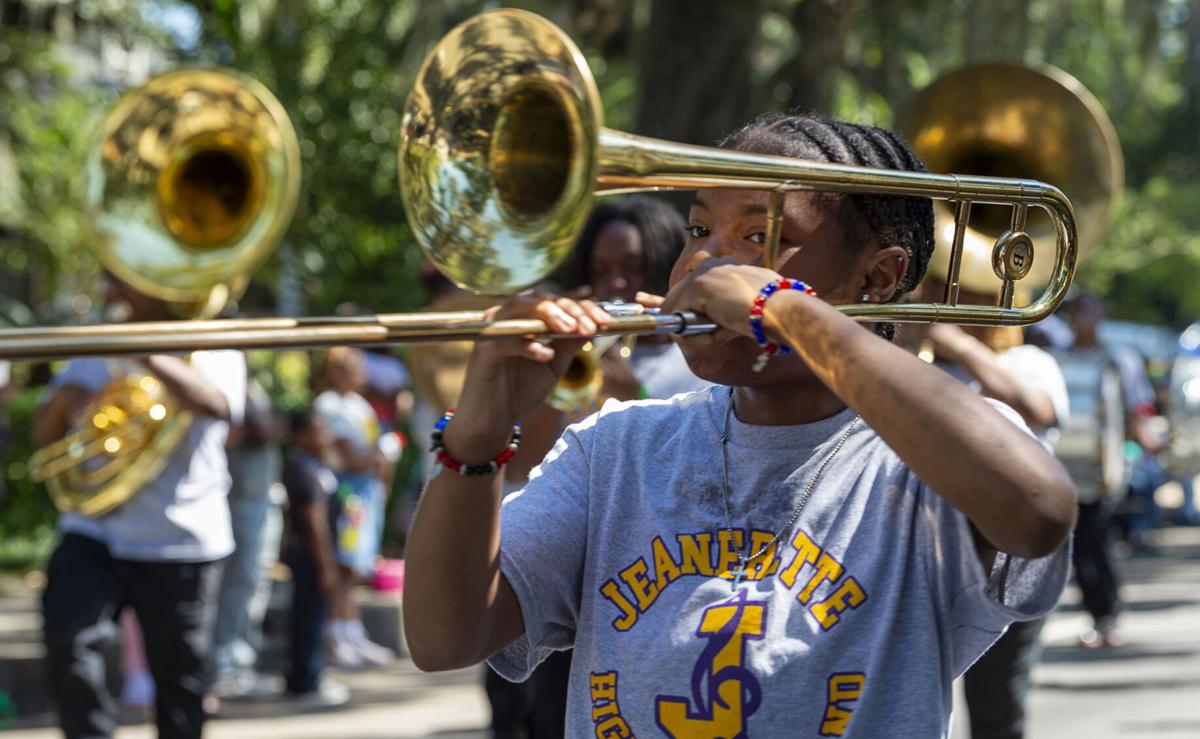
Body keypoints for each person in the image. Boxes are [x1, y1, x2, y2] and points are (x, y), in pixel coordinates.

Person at [403, 114, 1076, 737]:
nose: (707, 263)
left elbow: (1039, 508)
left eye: (762, 237)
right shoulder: (615, 447)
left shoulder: (921, 461)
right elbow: (444, 636)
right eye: (698, 231)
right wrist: (477, 437)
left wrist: (783, 310)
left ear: (879, 277)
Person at [486, 196, 711, 738]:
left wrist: (633, 391)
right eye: (600, 272)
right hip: (565, 583)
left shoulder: (702, 359)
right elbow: (525, 461)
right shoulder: (585, 357)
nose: (613, 286)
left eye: (630, 270)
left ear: (662, 267)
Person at [36, 274, 245, 739]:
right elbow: (44, 434)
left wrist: (147, 353)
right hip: (94, 529)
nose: (112, 290)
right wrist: (62, 404)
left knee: (181, 684)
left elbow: (218, 405)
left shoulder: (214, 340)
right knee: (69, 642)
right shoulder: (99, 343)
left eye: (126, 281)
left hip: (180, 538)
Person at [909, 285, 1069, 739]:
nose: (954, 304)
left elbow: (1037, 409)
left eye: (971, 295)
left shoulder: (1029, 362)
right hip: (931, 551)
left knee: (996, 704)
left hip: (1003, 556)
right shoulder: (919, 367)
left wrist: (958, 344)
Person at [1059, 293, 1157, 648]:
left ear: (1101, 313)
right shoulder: (1056, 357)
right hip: (1064, 472)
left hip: (1103, 474)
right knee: (1076, 547)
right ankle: (1097, 615)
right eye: (1077, 309)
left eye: (1089, 308)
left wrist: (1143, 444)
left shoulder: (1120, 359)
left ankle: (1106, 616)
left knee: (1097, 543)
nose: (1082, 315)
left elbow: (1136, 410)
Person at [313, 347, 394, 667]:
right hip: (348, 491)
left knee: (358, 565)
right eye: (355, 369)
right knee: (344, 565)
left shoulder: (358, 405)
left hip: (365, 492)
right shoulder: (330, 405)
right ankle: (337, 633)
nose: (362, 375)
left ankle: (352, 630)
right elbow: (352, 458)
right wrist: (377, 460)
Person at [211, 376, 285, 697]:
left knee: (254, 585)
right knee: (237, 586)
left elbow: (274, 428)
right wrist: (266, 425)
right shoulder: (223, 382)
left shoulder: (251, 384)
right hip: (240, 500)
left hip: (259, 498)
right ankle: (227, 666)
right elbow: (259, 431)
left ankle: (239, 662)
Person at [282, 409, 349, 707]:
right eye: (319, 430)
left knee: (312, 616)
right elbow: (315, 521)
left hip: (315, 556)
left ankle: (308, 674)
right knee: (307, 618)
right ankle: (305, 680)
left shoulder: (315, 465)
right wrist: (326, 567)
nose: (325, 436)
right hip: (309, 556)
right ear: (302, 435)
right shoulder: (302, 468)